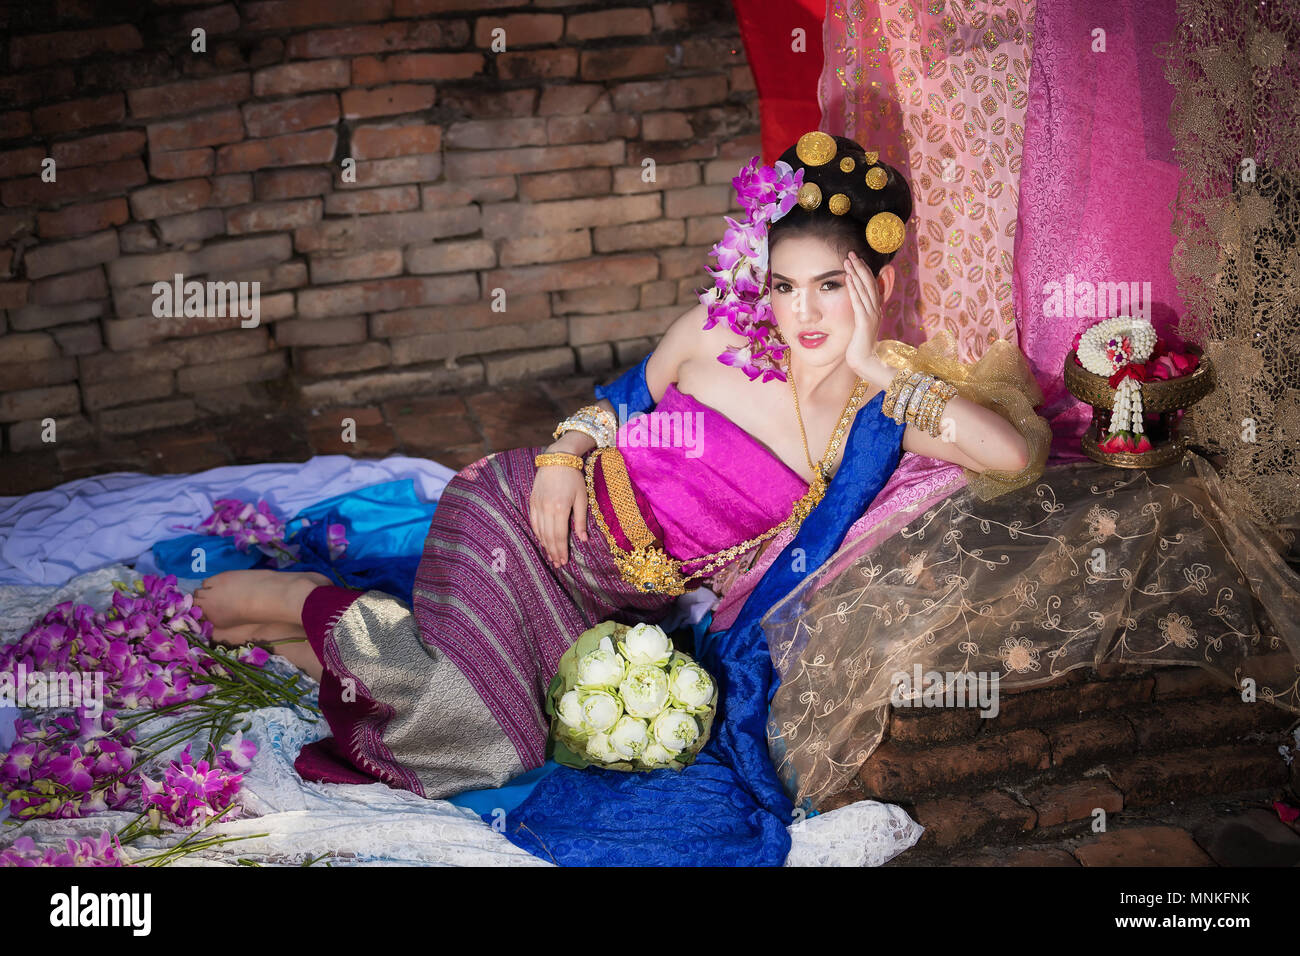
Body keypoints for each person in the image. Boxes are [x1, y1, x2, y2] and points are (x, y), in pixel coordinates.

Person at [192, 131, 1036, 806]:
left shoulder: (876, 414)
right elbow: (618, 402)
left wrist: (881, 365)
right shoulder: (719, 332)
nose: (804, 312)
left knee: (502, 742)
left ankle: (319, 646)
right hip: (523, 519)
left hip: (609, 598)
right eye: (785, 286)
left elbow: (1015, 454)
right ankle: (305, 603)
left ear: (876, 284)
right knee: (492, 739)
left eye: (830, 286)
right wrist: (562, 456)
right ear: (762, 285)